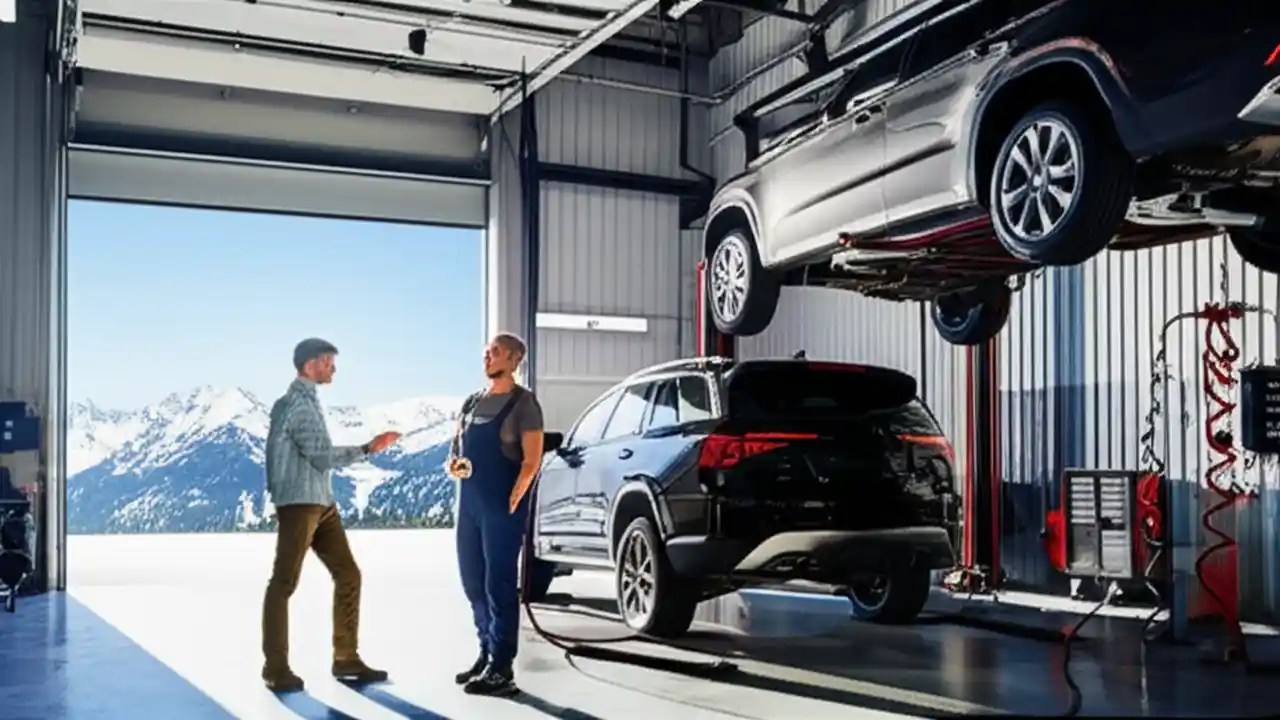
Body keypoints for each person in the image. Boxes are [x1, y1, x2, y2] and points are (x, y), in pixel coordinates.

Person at [261, 338, 401, 693]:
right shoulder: (297, 406)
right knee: (284, 582)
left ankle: (346, 658)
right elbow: (322, 457)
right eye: (327, 362)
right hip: (301, 503)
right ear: (309, 365)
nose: (333, 368)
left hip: (321, 502)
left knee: (348, 573)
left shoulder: (303, 403)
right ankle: (275, 667)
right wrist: (370, 447)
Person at [447, 332, 545, 697]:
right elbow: (454, 453)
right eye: (486, 352)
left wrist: (513, 500)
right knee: (473, 582)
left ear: (515, 359)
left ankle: (502, 667)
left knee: (498, 585)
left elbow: (531, 461)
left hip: (502, 508)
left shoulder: (524, 404)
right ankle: (487, 652)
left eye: (497, 352)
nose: (488, 358)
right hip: (469, 506)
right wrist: (455, 466)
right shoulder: (471, 403)